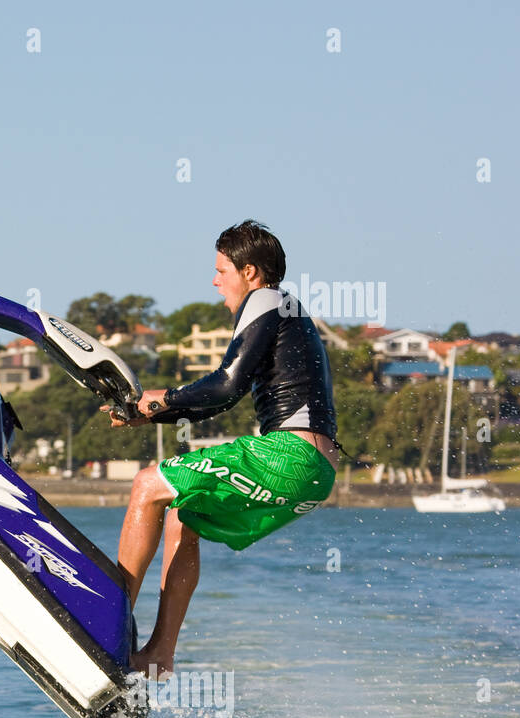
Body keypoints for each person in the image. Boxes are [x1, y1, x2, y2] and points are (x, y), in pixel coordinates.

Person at [101, 221, 344, 679]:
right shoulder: (286, 311)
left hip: (290, 455)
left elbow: (225, 385)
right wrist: (151, 412)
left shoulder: (268, 300)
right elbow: (221, 398)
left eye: (221, 270)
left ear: (250, 271)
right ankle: (157, 656)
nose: (215, 282)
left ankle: (106, 621)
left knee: (147, 484)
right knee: (182, 514)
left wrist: (164, 398)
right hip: (314, 471)